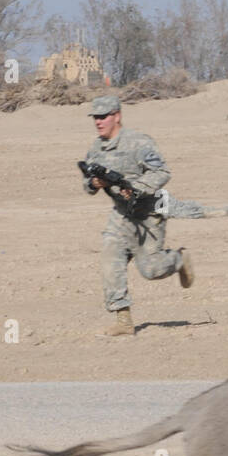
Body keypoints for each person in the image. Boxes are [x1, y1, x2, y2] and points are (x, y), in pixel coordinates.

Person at [82, 96, 192, 337]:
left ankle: (178, 259)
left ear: (117, 116)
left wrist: (136, 187)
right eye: (95, 117)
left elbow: (162, 172)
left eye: (103, 116)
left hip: (148, 213)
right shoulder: (95, 148)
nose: (98, 122)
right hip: (121, 216)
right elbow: (86, 185)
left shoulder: (138, 142)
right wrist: (94, 183)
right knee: (110, 260)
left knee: (151, 270)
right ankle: (123, 320)